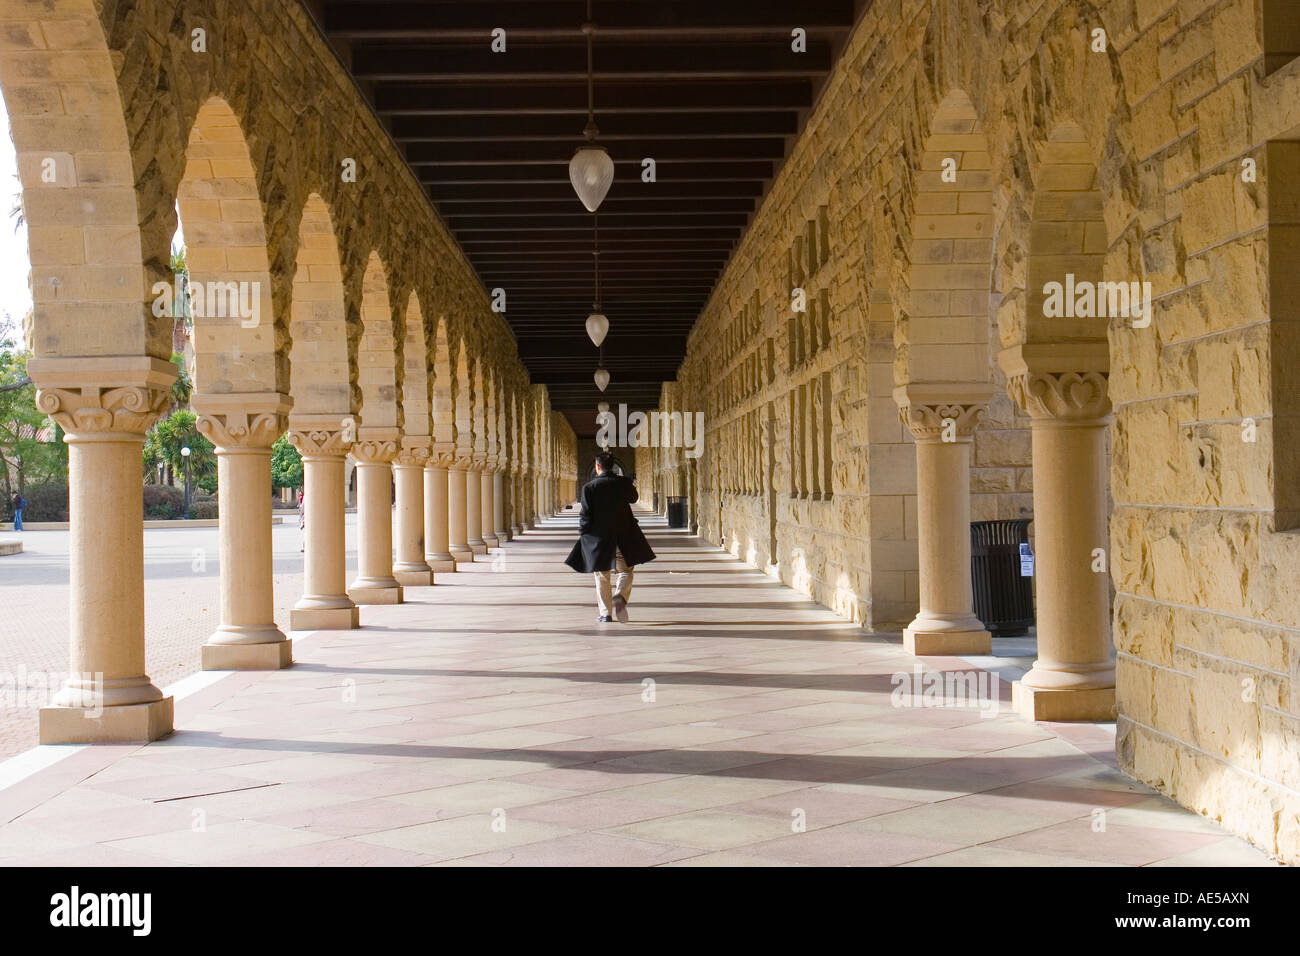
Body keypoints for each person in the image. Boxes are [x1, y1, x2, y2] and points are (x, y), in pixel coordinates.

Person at [565, 452, 655, 623]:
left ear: (597, 467)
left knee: (601, 574)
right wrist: (627, 482)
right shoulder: (623, 483)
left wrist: (584, 535)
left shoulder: (589, 488)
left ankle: (605, 613)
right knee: (626, 571)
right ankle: (620, 596)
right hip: (623, 534)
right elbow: (634, 498)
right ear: (613, 467)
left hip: (599, 538)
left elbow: (585, 515)